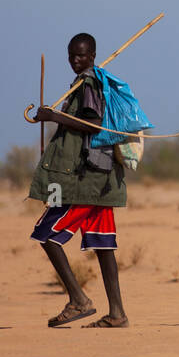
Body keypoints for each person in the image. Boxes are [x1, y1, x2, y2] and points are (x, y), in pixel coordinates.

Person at [30, 33, 129, 328]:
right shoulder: (87, 83)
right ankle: (117, 314)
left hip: (84, 181)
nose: (76, 61)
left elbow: (93, 124)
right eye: (72, 56)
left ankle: (79, 301)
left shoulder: (90, 84)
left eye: (82, 56)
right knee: (103, 245)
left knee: (45, 234)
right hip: (101, 178)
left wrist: (54, 117)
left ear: (93, 55)